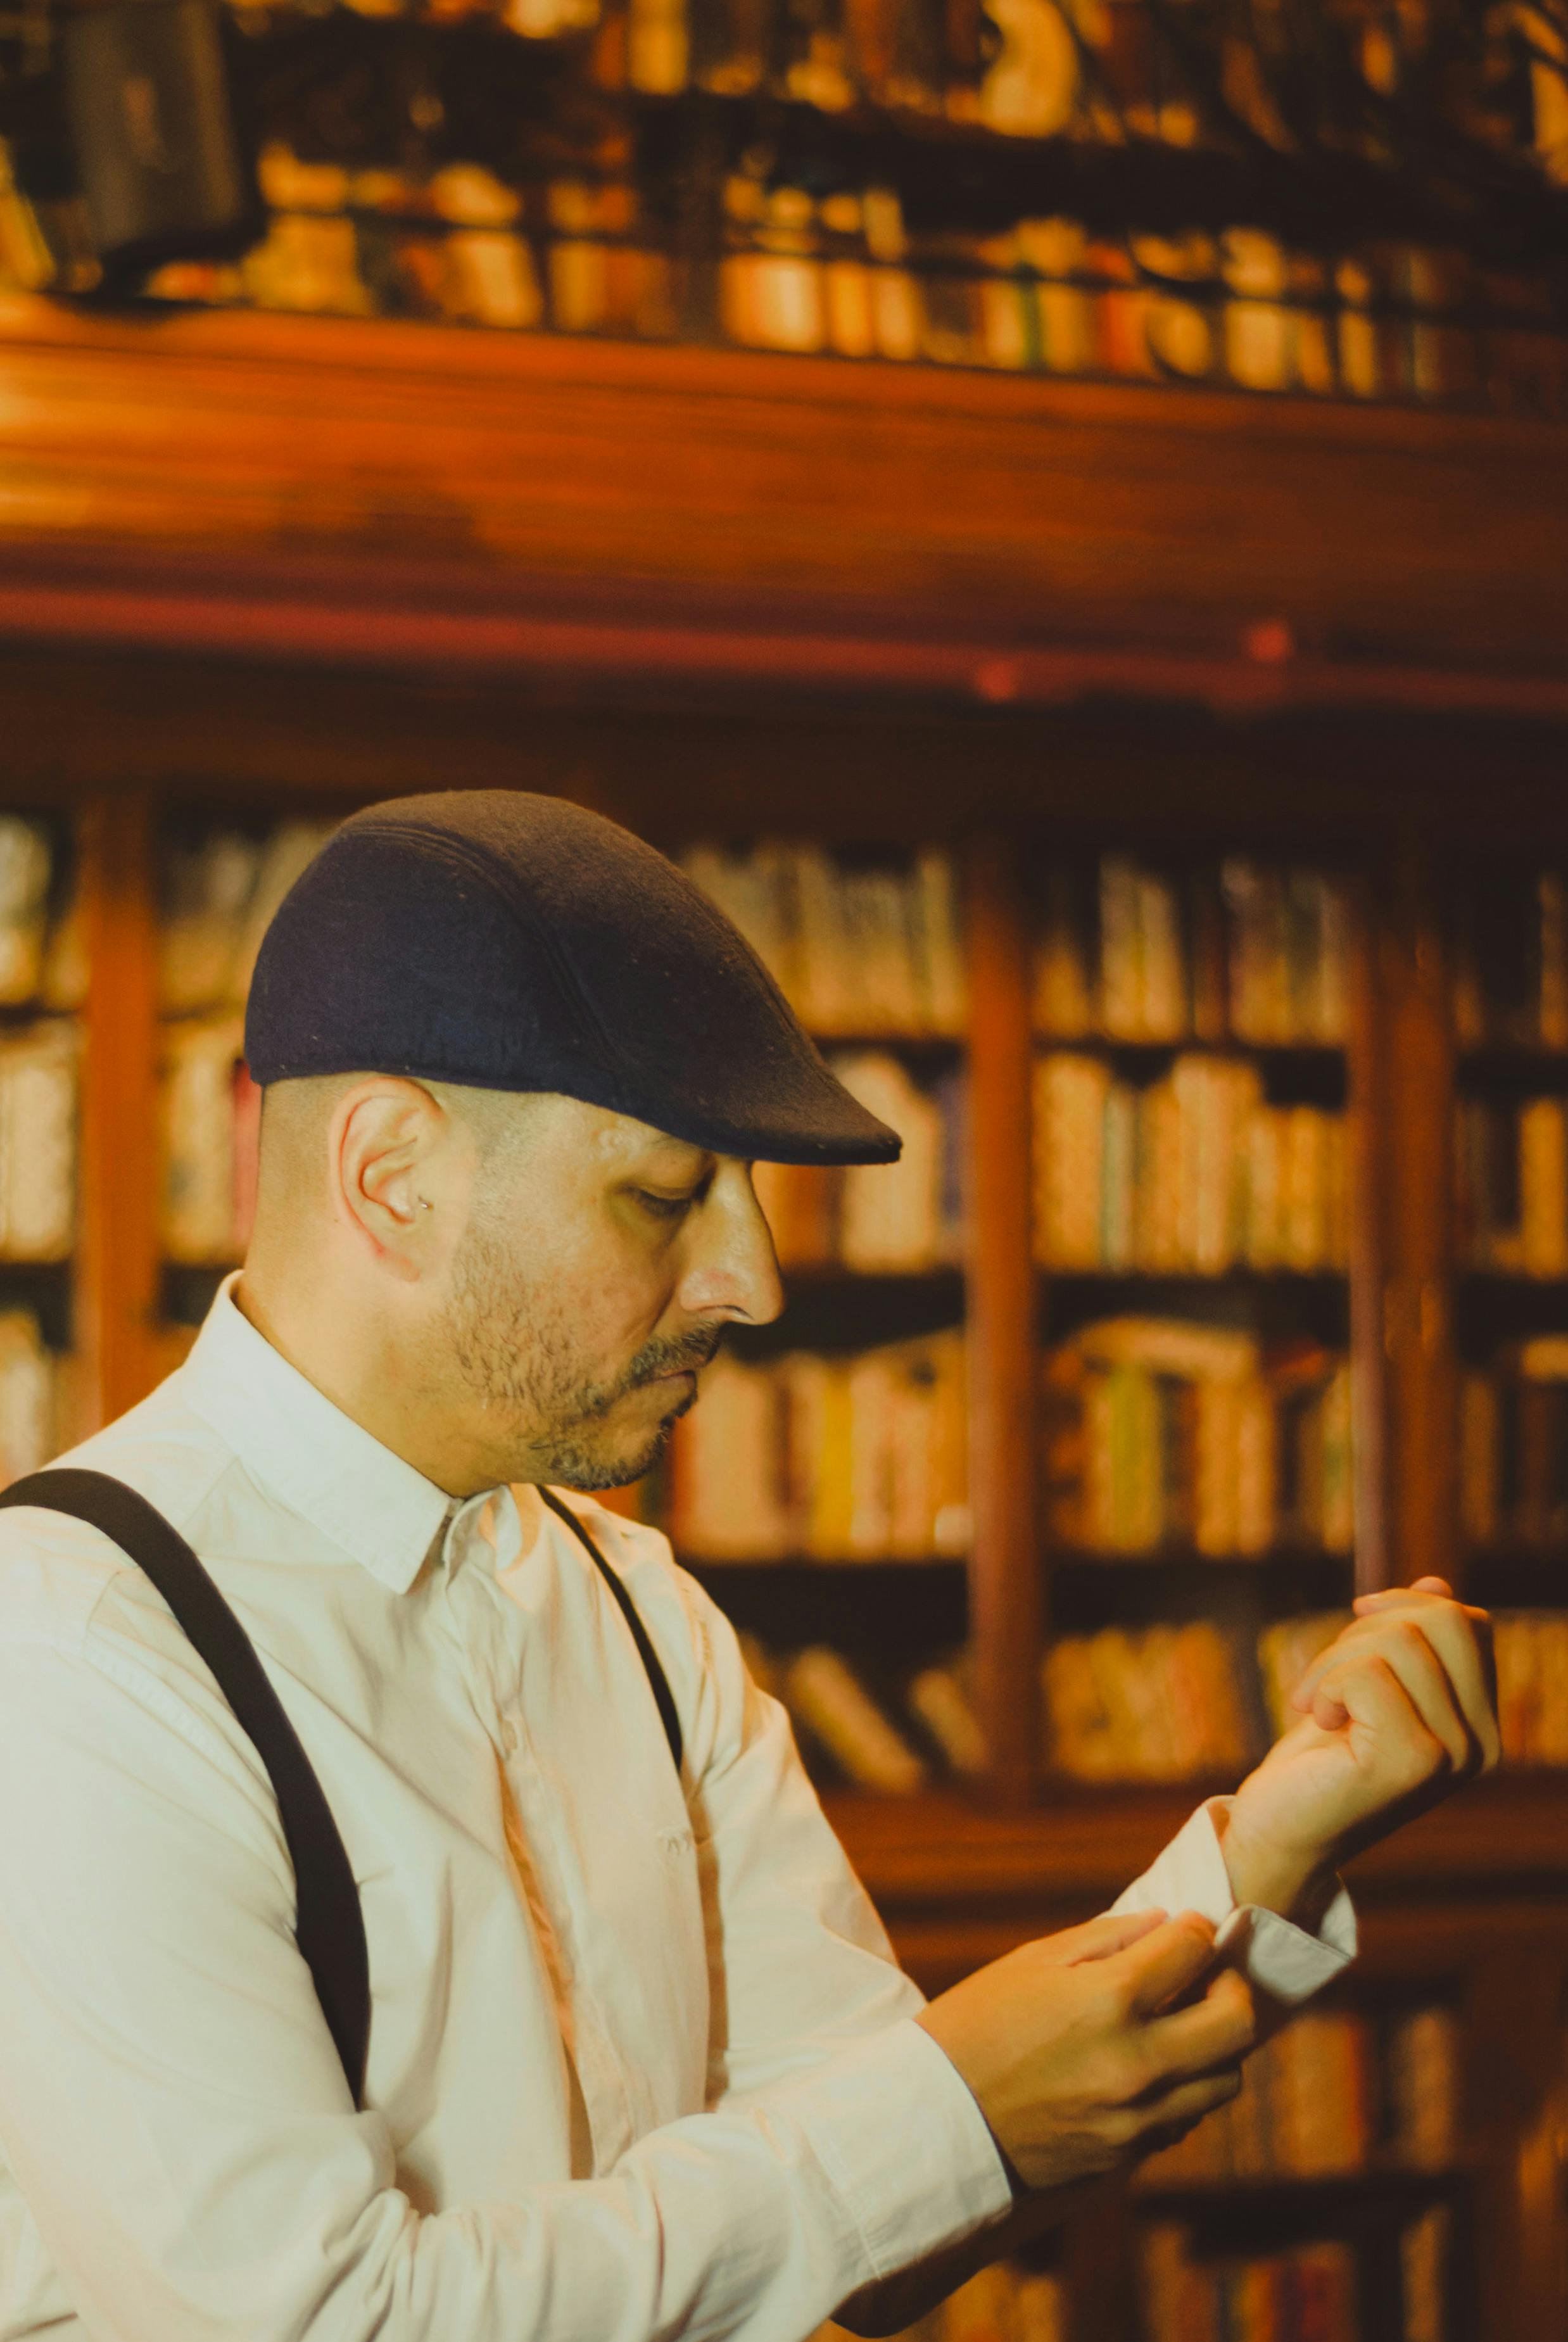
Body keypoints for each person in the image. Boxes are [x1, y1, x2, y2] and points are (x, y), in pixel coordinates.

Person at [0, 793, 1497, 2342]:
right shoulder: (70, 1652)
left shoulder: (639, 1606)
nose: (756, 1280)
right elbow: (322, 2327)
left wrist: (1263, 1856)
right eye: (665, 1193)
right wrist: (938, 2116)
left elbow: (899, 2196)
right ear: (391, 1176)